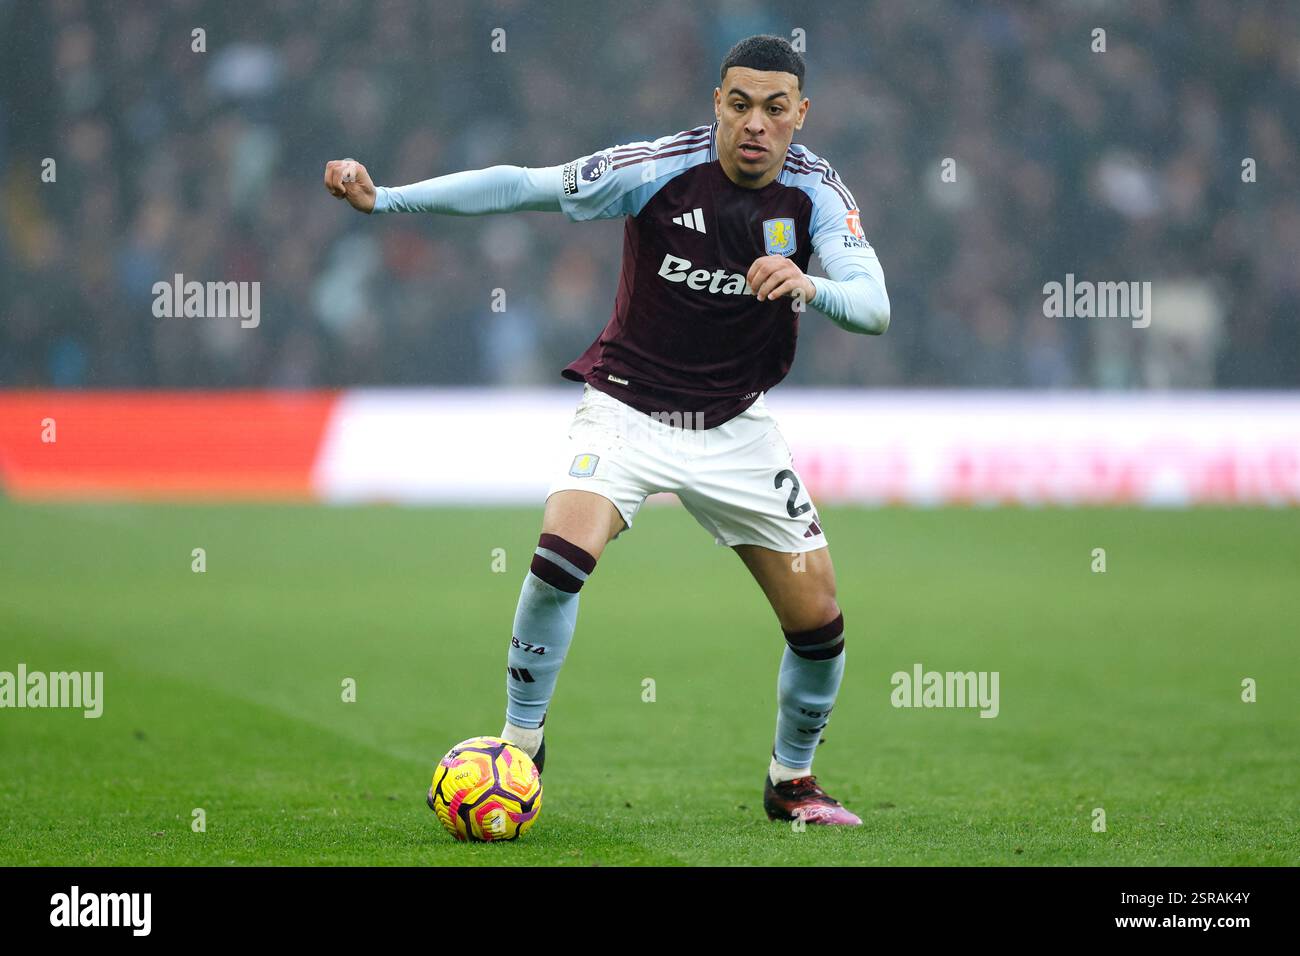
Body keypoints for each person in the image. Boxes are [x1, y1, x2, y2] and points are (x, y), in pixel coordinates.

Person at [323, 34, 889, 825]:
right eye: (738, 104)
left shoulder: (817, 194)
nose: (754, 123)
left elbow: (875, 307)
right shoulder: (655, 169)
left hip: (734, 425)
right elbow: (522, 186)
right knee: (559, 560)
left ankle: (791, 782)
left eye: (773, 108)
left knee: (819, 624)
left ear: (800, 116)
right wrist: (386, 199)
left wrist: (809, 283)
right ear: (715, 105)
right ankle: (521, 744)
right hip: (626, 406)